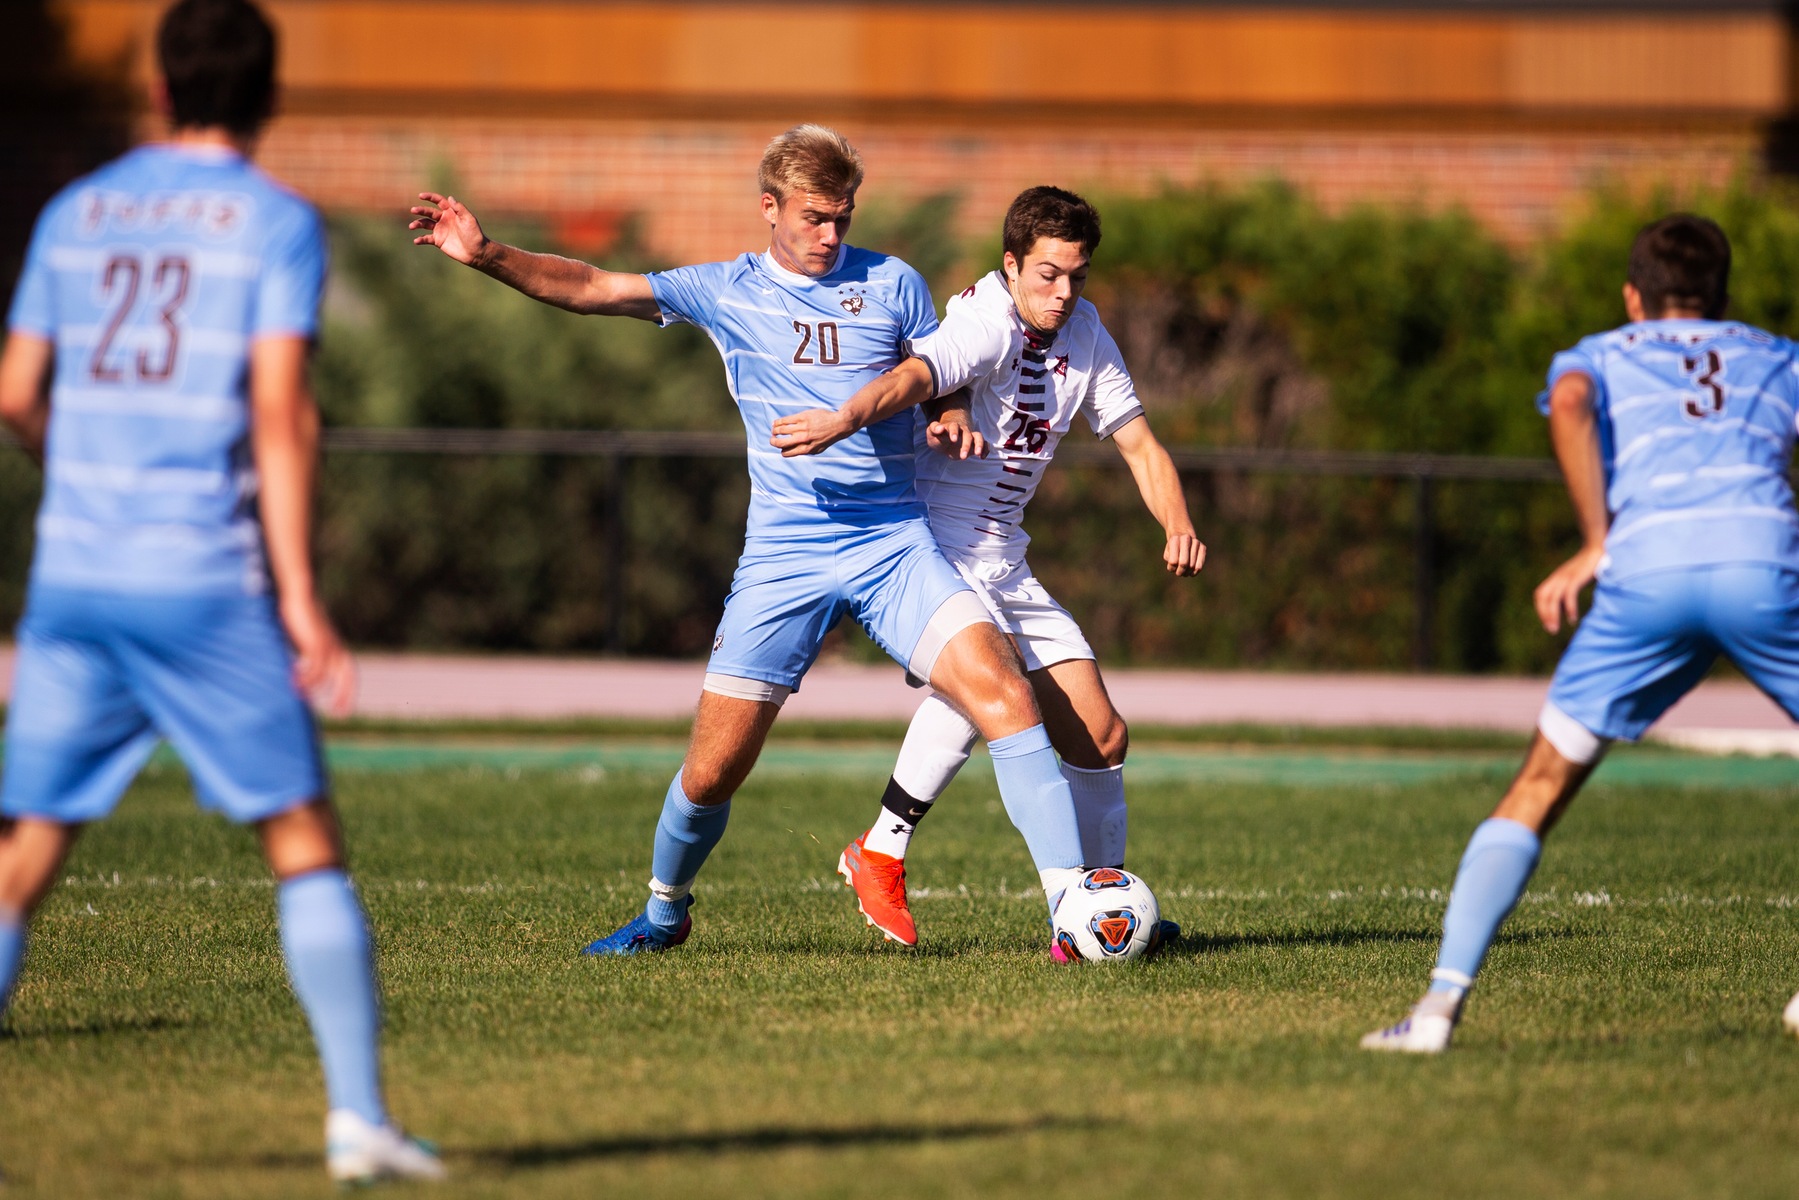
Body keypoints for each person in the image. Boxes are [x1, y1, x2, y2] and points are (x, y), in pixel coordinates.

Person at [409, 126, 1092, 955]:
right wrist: (487, 255)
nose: (831, 235)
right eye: (814, 217)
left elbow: (933, 378)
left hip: (892, 544)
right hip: (785, 556)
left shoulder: (895, 282)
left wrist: (948, 419)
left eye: (842, 217)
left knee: (1002, 692)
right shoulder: (724, 290)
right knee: (709, 775)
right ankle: (664, 912)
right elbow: (592, 284)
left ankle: (1070, 912)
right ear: (768, 208)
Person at [0, 0, 443, 1181]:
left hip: (76, 575)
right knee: (301, 837)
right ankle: (358, 1121)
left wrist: (79, 461)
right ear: (268, 99)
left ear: (157, 89)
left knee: (28, 847)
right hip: (199, 576)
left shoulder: (71, 210)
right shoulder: (274, 222)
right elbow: (277, 412)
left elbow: (12, 390)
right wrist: (300, 596)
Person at [1362, 214, 1799, 1053]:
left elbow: (1567, 406)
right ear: (1722, 296)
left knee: (1541, 781)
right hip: (1761, 565)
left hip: (1647, 573)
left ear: (1634, 296)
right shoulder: (1776, 355)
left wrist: (1596, 540)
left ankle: (1434, 1014)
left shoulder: (1598, 353)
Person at [771, 186, 1203, 950]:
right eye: (1046, 275)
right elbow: (913, 376)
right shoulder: (981, 320)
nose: (1063, 293)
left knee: (1101, 737)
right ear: (1010, 265)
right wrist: (845, 417)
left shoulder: (1087, 331)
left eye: (1076, 275)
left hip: (1005, 556)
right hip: (933, 548)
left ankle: (1106, 905)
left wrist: (1176, 520)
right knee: (991, 691)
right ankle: (889, 853)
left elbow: (1137, 442)